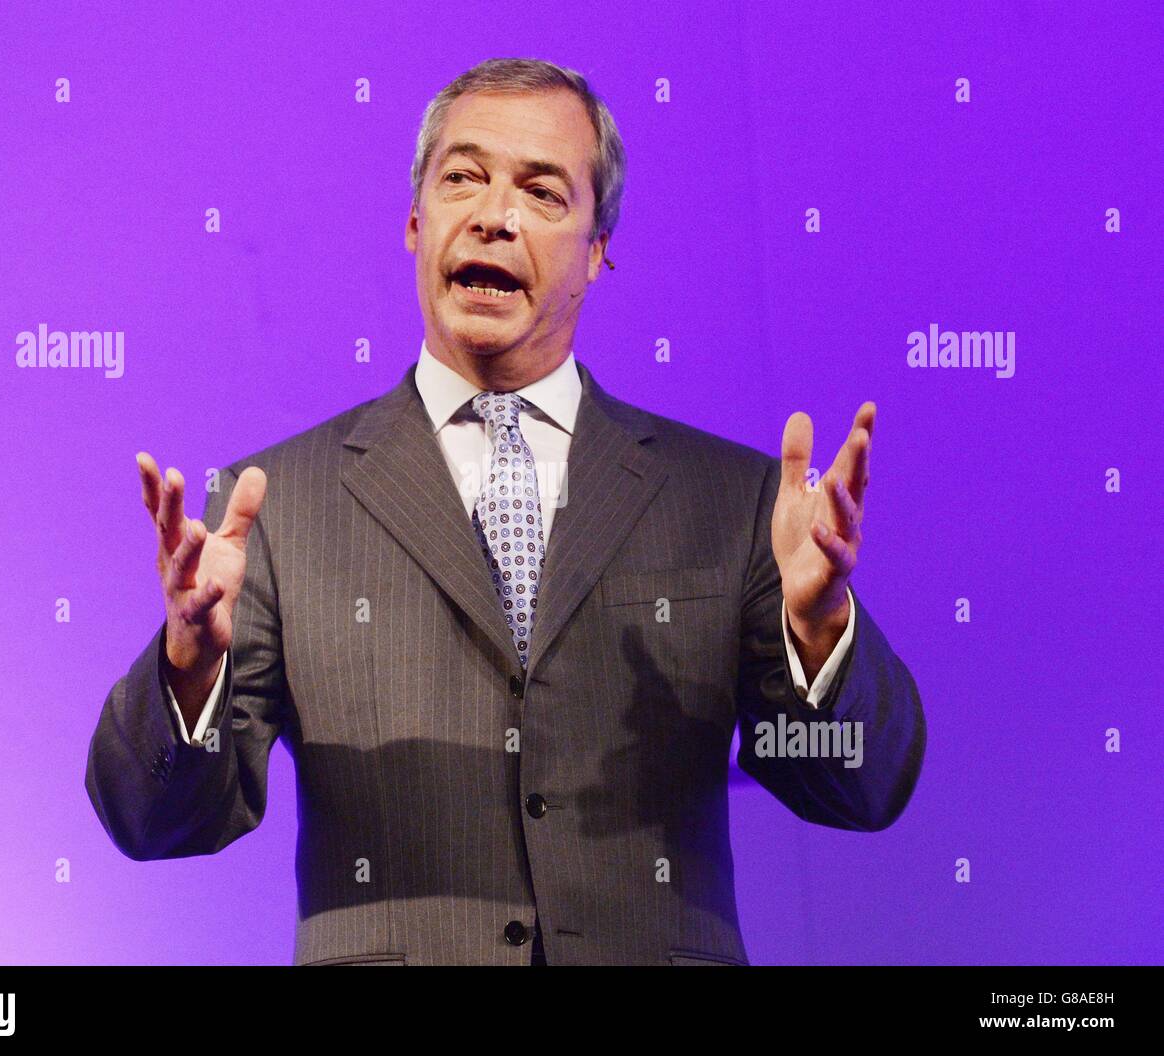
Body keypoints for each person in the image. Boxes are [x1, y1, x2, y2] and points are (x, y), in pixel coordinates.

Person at [85, 57, 925, 966]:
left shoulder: (730, 501)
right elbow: (152, 819)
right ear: (415, 223)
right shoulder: (278, 507)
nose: (494, 214)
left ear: (600, 249)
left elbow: (861, 788)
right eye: (462, 178)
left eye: (543, 192)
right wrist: (187, 667)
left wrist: (820, 632)